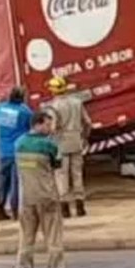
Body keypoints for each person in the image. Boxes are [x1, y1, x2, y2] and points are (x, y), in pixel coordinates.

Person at [13, 111, 68, 268]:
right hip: (47, 197)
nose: (50, 128)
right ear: (38, 124)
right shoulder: (48, 145)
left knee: (26, 238)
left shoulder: (19, 143)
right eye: (47, 124)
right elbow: (57, 165)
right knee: (53, 237)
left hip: (26, 198)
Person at [45, 76, 91, 218]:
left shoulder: (53, 107)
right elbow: (88, 122)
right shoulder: (77, 102)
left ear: (53, 91)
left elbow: (52, 128)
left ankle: (65, 208)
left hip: (60, 144)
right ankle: (80, 206)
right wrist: (84, 137)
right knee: (77, 174)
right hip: (76, 141)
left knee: (61, 175)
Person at [0, 87, 33, 221]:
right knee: (16, 181)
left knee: (2, 180)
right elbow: (32, 127)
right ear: (22, 98)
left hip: (3, 152)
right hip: (18, 151)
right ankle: (15, 211)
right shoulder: (25, 111)